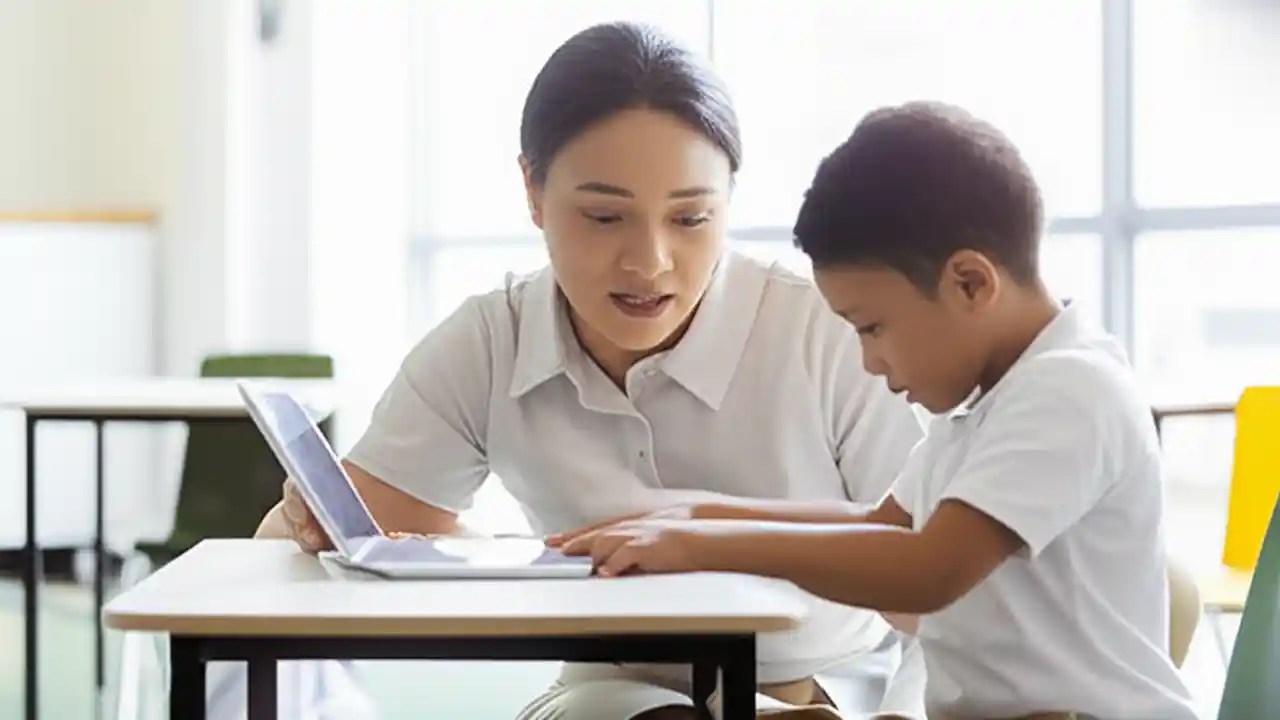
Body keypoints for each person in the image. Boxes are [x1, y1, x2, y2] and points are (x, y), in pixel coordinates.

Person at [253, 22, 925, 720]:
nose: (650, 263)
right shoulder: (493, 341)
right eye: (605, 217)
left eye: (691, 218)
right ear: (533, 191)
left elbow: (953, 586)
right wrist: (311, 524)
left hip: (805, 691)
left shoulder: (825, 333)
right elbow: (309, 548)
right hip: (607, 695)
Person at [555, 102, 1202, 720]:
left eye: (872, 327)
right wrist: (699, 511)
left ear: (971, 283)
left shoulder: (1068, 391)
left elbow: (928, 570)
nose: (870, 362)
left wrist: (703, 544)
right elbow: (886, 525)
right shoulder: (986, 404)